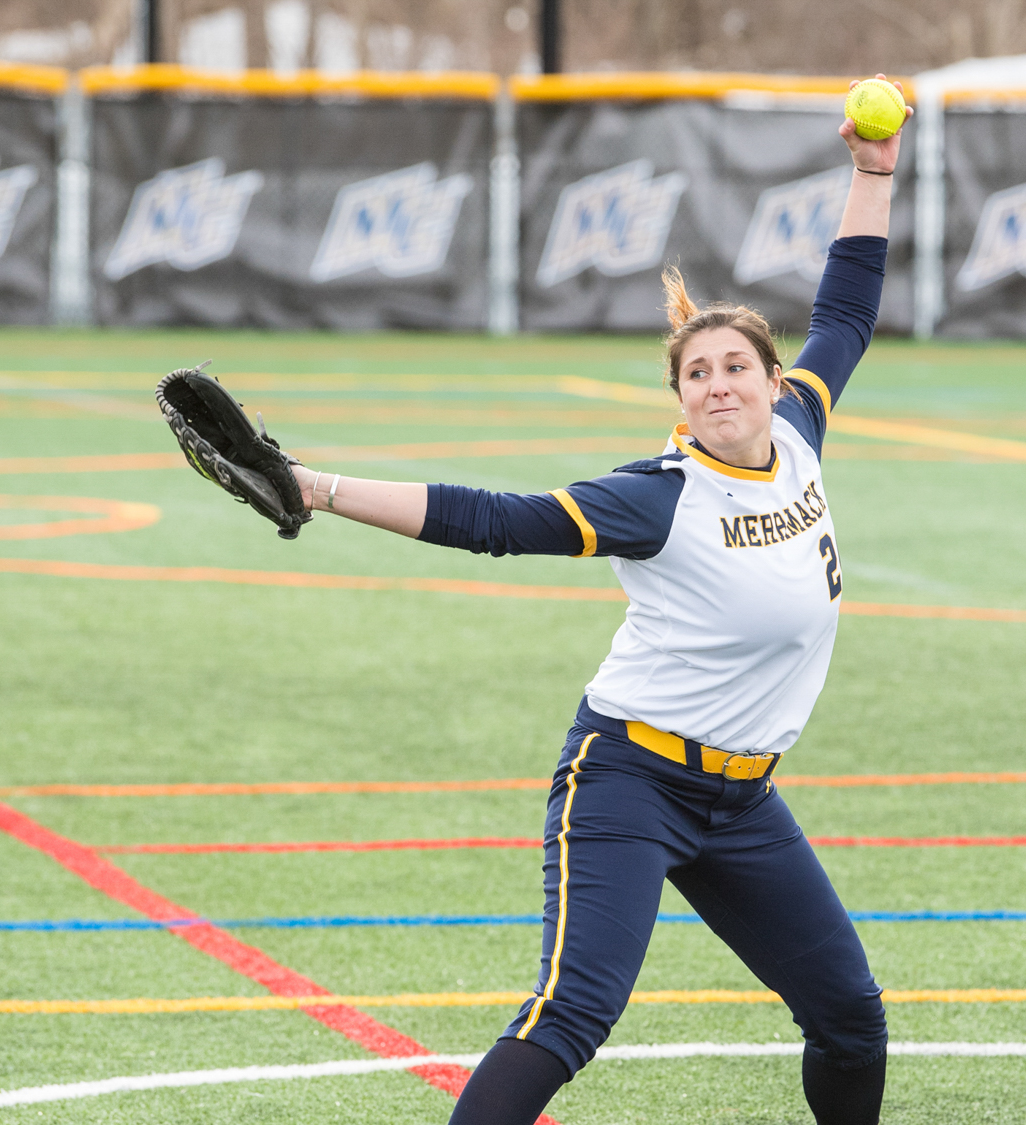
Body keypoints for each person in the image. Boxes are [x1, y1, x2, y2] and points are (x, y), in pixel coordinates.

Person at [281, 85, 902, 1125]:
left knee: (850, 1017)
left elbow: (845, 310)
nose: (718, 384)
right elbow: (494, 519)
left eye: (736, 366)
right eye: (695, 373)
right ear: (680, 400)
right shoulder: (657, 496)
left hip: (744, 801)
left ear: (771, 379)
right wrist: (319, 487)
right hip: (628, 780)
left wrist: (871, 173)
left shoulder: (799, 429)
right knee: (573, 1011)